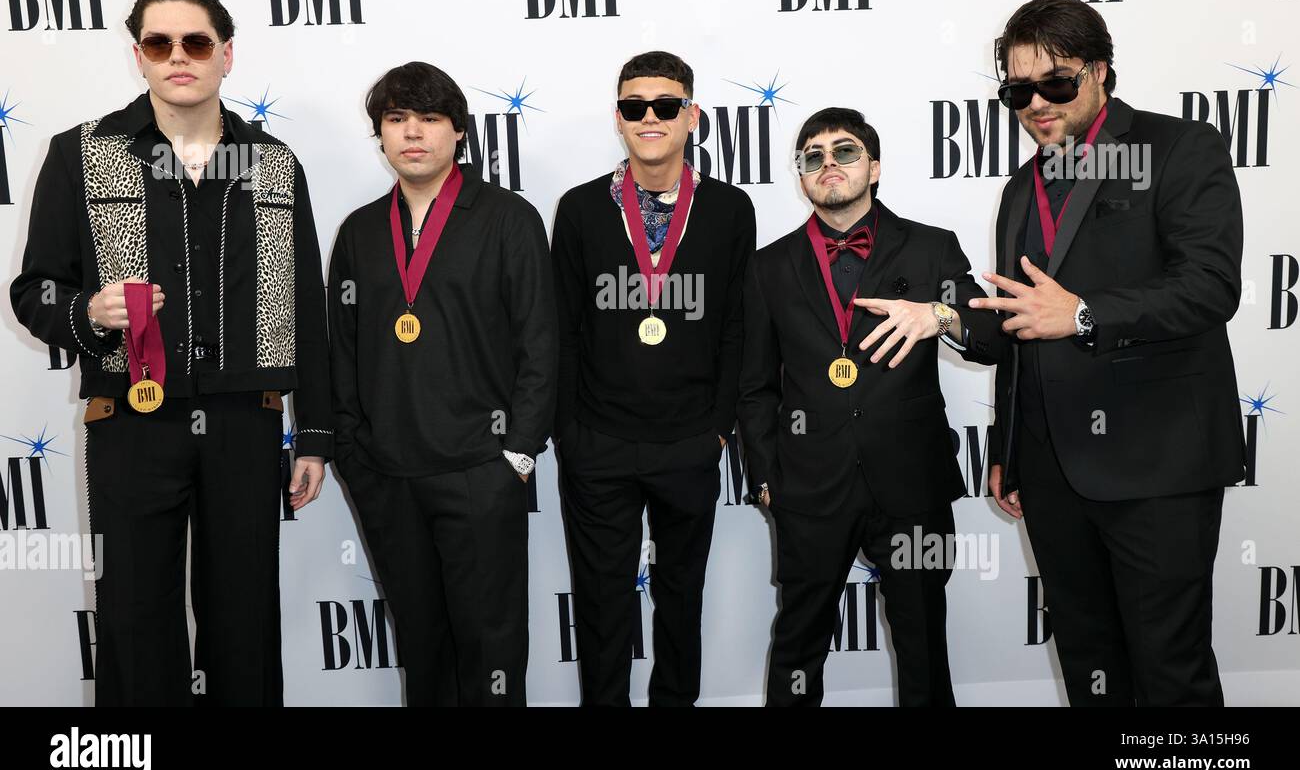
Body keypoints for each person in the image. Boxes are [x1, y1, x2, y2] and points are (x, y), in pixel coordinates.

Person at [10, 0, 332, 706]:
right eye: (160, 43)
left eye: (195, 42)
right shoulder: (82, 154)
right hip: (129, 419)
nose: (177, 56)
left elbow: (307, 308)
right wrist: (89, 312)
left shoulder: (274, 163)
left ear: (226, 55)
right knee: (133, 616)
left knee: (245, 616)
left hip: (246, 422)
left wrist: (311, 433)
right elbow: (33, 292)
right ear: (139, 57)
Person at [971, 0, 1246, 706]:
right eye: (1017, 90)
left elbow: (1210, 287)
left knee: (1169, 670)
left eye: (1056, 82)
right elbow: (1022, 323)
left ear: (1099, 72)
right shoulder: (1018, 188)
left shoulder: (1179, 146)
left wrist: (1086, 314)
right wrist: (1009, 447)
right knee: (1090, 664)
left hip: (1157, 462)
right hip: (1053, 469)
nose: (1035, 103)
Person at [738, 107, 1005, 706]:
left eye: (845, 151)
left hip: (912, 482)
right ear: (802, 176)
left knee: (922, 643)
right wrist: (765, 480)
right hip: (808, 488)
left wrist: (937, 316)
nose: (828, 163)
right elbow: (754, 387)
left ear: (875, 167)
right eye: (814, 156)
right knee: (798, 643)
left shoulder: (931, 248)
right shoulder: (768, 266)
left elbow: (989, 340)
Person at [329, 61, 556, 706]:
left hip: (480, 469)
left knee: (491, 651)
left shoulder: (509, 219)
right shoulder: (361, 232)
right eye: (397, 120)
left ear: (458, 132)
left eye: (429, 119)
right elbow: (341, 351)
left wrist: (515, 453)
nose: (413, 134)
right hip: (389, 475)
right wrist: (354, 452)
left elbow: (540, 343)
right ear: (380, 136)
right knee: (423, 653)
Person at [550, 50, 756, 706]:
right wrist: (570, 433)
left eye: (666, 106)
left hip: (688, 443)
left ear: (691, 116)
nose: (650, 117)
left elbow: (735, 327)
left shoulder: (728, 208)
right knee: (602, 603)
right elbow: (564, 327)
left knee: (680, 600)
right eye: (635, 106)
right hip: (598, 443)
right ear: (619, 117)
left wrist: (719, 431)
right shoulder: (581, 209)